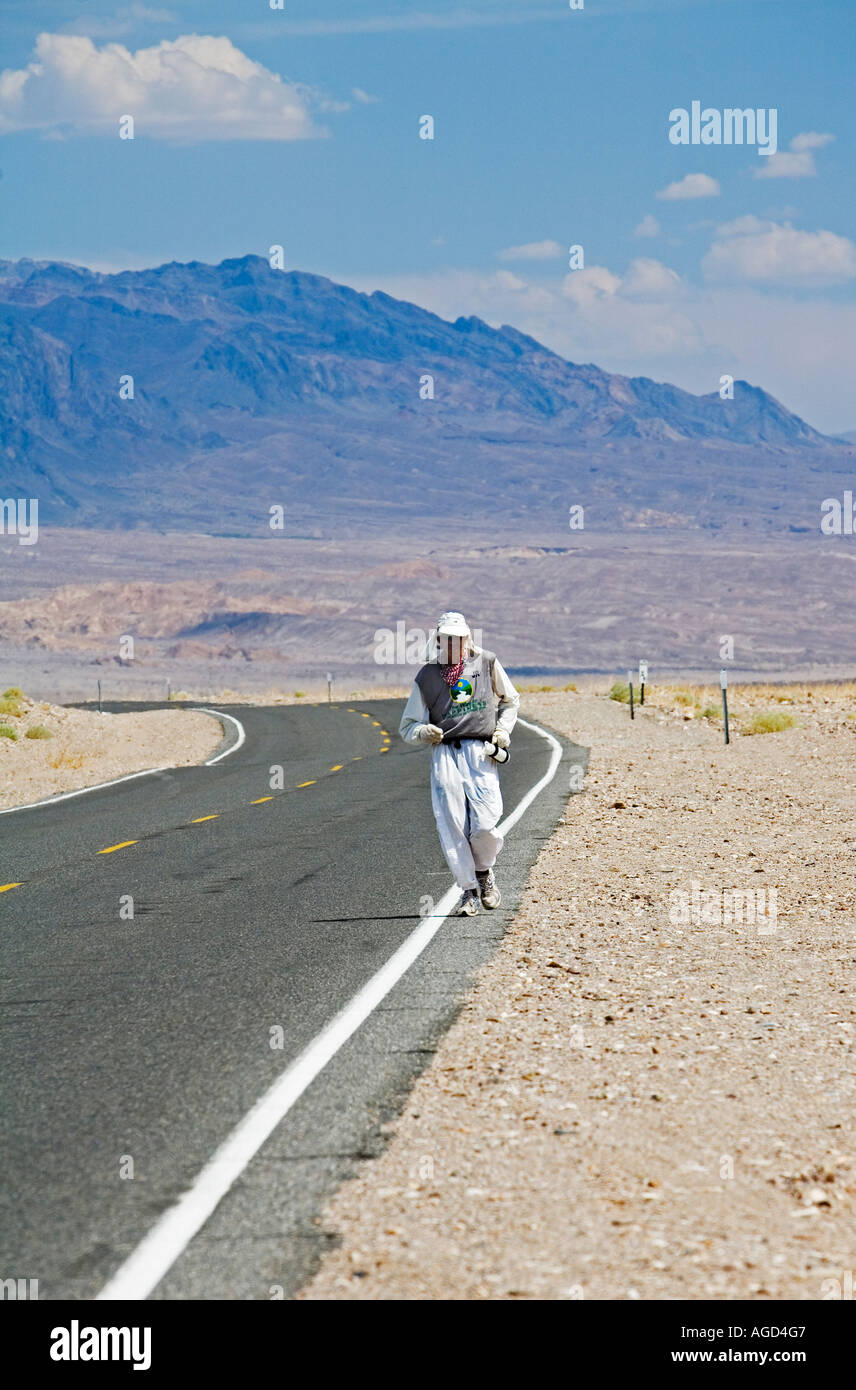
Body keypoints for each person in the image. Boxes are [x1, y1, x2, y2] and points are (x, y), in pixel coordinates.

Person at [399, 611, 520, 915]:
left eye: (459, 638)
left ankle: (484, 871)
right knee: (452, 823)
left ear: (467, 638)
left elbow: (510, 700)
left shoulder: (487, 663)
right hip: (445, 753)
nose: (454, 644)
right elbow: (407, 726)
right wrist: (423, 731)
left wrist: (503, 730)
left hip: (480, 752)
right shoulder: (427, 676)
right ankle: (468, 891)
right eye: (448, 639)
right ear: (439, 640)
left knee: (485, 822)